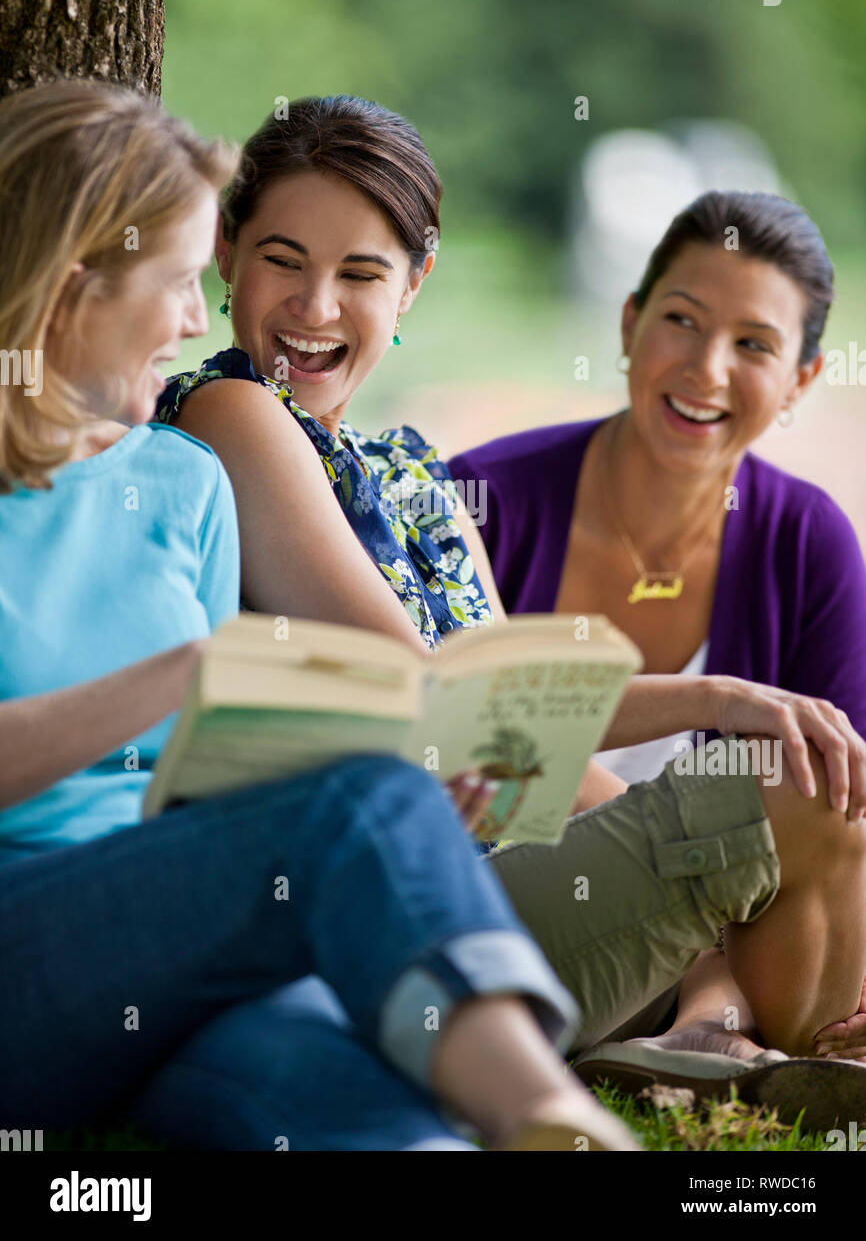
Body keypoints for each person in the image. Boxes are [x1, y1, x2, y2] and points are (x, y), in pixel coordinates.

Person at [155, 96, 866, 1118]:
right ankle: (785, 1051)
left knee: (812, 781)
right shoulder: (234, 414)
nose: (314, 307)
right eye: (282, 258)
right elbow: (443, 699)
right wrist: (722, 697)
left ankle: (730, 1039)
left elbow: (540, 743)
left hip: (509, 882)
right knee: (786, 773)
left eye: (360, 273)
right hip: (401, 916)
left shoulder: (411, 473)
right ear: (225, 252)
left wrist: (712, 957)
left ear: (413, 284)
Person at [0, 77, 645, 1154]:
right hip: (28, 955)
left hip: (179, 941)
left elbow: (193, 786)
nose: (198, 320)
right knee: (353, 805)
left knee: (370, 1117)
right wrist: (182, 676)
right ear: (72, 290)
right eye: (174, 282)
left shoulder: (182, 481)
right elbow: (180, 690)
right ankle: (546, 1102)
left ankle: (537, 1131)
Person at [449, 190, 866, 1077]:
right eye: (682, 320)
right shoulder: (486, 498)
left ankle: (752, 1042)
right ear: (631, 325)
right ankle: (711, 1025)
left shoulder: (807, 539)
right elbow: (475, 743)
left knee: (823, 777)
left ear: (799, 379)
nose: (707, 369)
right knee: (779, 771)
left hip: (749, 959)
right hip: (518, 905)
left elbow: (845, 804)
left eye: (754, 344)